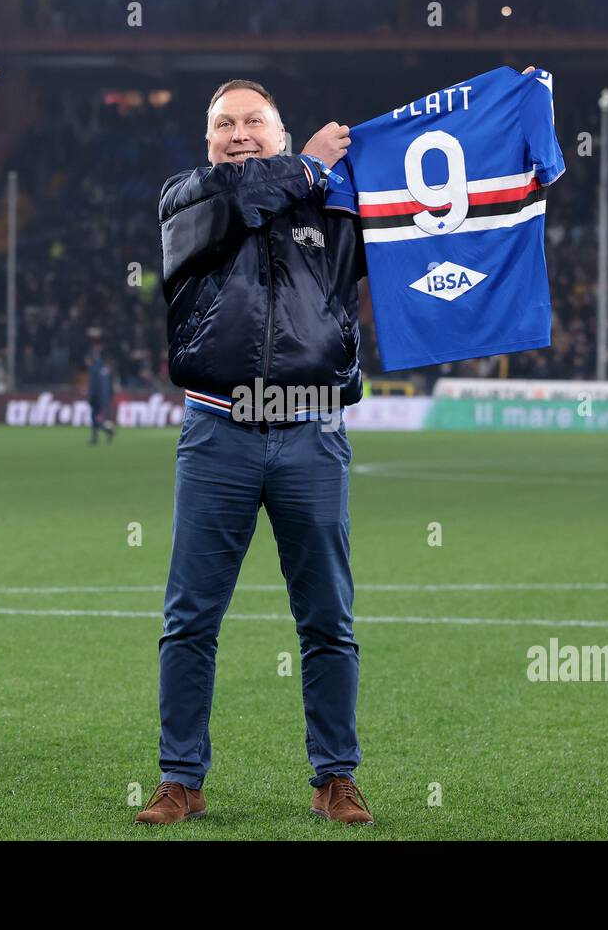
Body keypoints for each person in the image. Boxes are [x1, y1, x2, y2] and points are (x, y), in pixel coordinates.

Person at [136, 78, 372, 825]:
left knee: (328, 618)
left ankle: (334, 776)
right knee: (190, 618)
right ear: (208, 141)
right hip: (218, 431)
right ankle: (182, 778)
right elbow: (245, 199)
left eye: (253, 123)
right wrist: (306, 164)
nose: (238, 134)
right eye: (224, 124)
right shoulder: (189, 198)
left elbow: (410, 241)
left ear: (277, 129)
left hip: (311, 430)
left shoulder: (332, 205)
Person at [87, 350, 116, 445]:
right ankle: (99, 435)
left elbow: (94, 385)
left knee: (94, 418)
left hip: (96, 398)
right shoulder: (102, 368)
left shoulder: (93, 369)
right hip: (104, 397)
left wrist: (91, 397)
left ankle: (104, 433)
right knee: (95, 418)